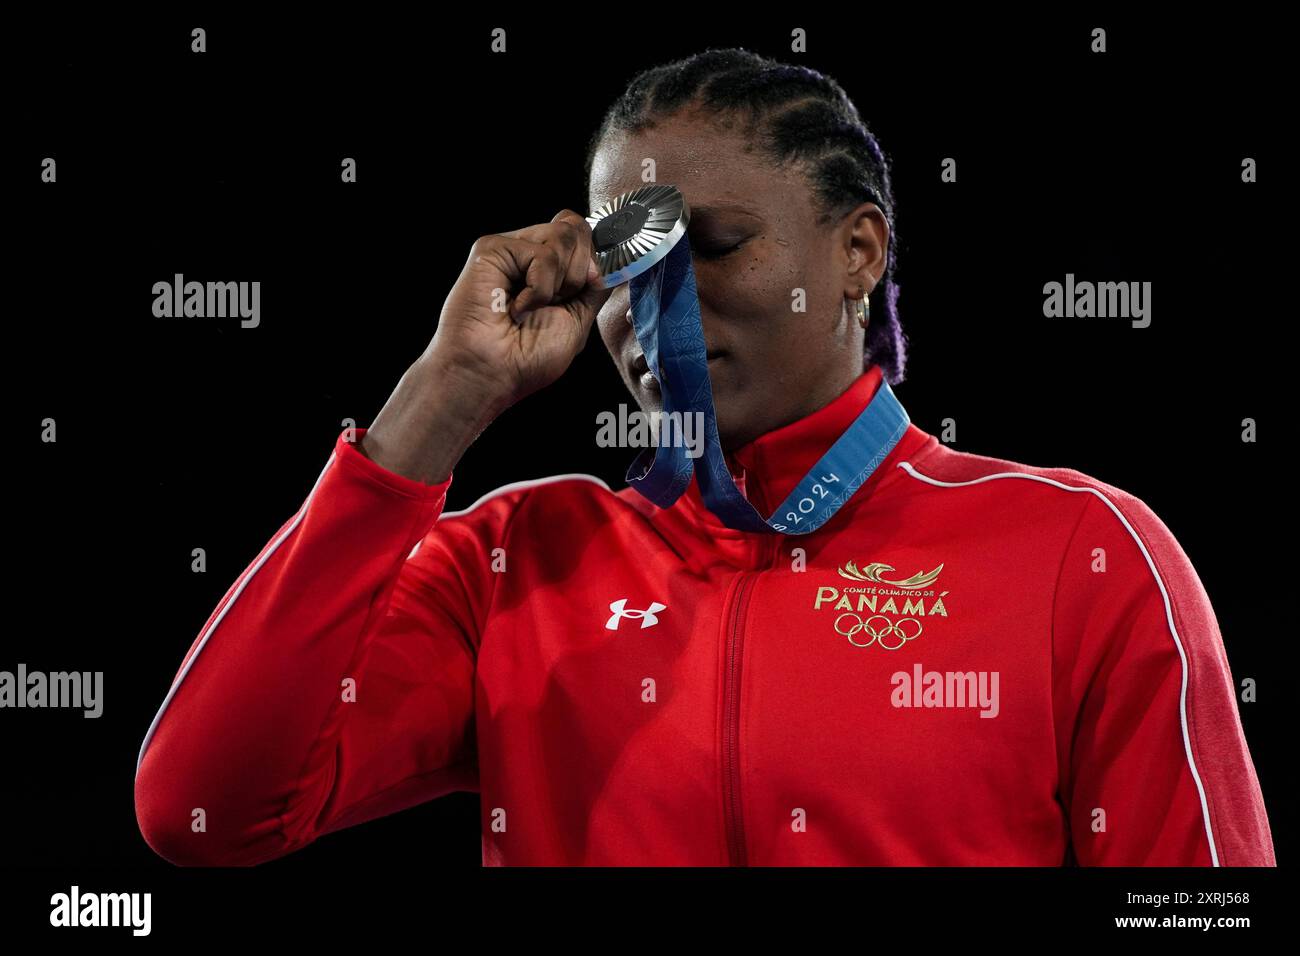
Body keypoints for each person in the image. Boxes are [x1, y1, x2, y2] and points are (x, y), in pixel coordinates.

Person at [133, 49, 1275, 866]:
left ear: (857, 250)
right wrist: (440, 397)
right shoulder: (516, 564)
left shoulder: (1082, 553)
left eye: (711, 244)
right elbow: (201, 808)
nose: (653, 308)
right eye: (623, 264)